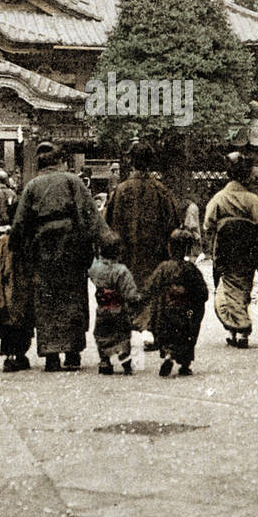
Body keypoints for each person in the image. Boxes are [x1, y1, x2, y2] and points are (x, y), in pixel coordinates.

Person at [10, 141, 116, 372]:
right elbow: (91, 217)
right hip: (72, 248)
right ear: (60, 162)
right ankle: (72, 352)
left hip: (42, 251)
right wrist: (108, 241)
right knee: (73, 298)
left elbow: (20, 224)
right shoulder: (73, 182)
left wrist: (14, 247)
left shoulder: (32, 187)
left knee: (46, 300)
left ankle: (50, 355)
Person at [104, 141, 180, 342]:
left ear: (131, 162)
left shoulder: (120, 191)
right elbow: (173, 222)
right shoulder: (160, 190)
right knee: (152, 287)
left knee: (127, 287)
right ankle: (149, 327)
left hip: (126, 251)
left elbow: (108, 223)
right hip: (155, 251)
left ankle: (131, 326)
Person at [202, 152, 258, 348]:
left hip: (225, 250)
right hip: (247, 251)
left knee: (228, 287)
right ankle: (240, 330)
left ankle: (238, 328)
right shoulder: (252, 199)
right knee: (244, 287)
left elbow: (208, 225)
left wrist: (214, 240)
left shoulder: (219, 198)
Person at [147, 229, 209, 376]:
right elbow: (202, 293)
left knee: (166, 332)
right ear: (187, 249)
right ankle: (185, 365)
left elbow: (151, 288)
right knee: (187, 334)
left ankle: (168, 354)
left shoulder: (163, 268)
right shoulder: (191, 269)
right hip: (186, 312)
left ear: (169, 247)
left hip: (166, 312)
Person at [88, 237, 142, 374]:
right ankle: (124, 357)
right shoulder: (121, 271)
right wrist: (136, 299)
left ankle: (104, 360)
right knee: (122, 335)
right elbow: (130, 293)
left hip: (103, 308)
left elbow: (91, 276)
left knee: (102, 335)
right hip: (118, 308)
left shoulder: (96, 268)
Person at [0, 229, 32, 372]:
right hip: (22, 289)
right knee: (23, 321)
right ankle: (20, 355)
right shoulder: (27, 239)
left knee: (7, 323)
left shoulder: (2, 241)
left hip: (5, 291)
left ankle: (9, 356)